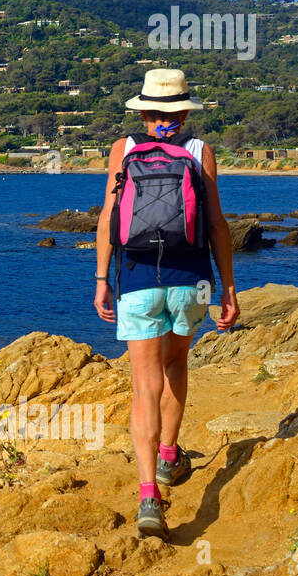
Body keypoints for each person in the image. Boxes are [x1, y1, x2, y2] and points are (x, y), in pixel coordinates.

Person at [93, 69, 239, 539]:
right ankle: (170, 457)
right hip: (190, 280)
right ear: (184, 111)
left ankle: (147, 495)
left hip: (136, 278)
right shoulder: (199, 151)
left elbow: (109, 217)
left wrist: (101, 279)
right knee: (178, 363)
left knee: (144, 385)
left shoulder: (124, 148)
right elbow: (216, 225)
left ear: (144, 111)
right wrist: (229, 288)